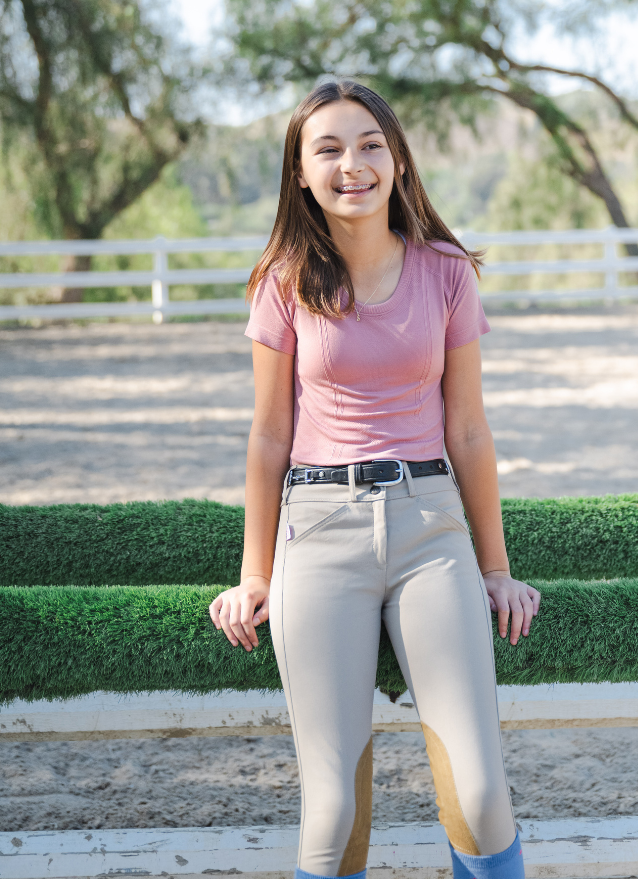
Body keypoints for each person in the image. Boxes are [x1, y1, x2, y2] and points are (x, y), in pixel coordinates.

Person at [209, 80, 540, 879]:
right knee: (332, 812)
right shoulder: (282, 279)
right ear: (299, 173)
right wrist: (254, 573)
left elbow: (467, 429)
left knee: (481, 793)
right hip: (318, 531)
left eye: (369, 145)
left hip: (430, 531)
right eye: (327, 148)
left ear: (397, 162)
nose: (350, 164)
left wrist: (495, 567)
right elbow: (268, 434)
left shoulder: (445, 272)